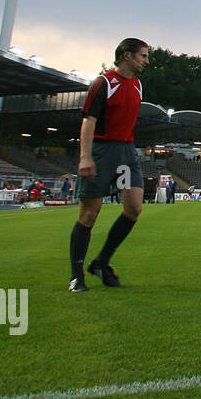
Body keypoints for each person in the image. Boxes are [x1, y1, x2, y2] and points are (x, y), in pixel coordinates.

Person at [68, 38, 149, 292]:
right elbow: (88, 120)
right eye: (143, 56)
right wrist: (85, 157)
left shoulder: (137, 86)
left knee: (134, 208)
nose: (146, 61)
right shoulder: (103, 83)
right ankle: (76, 276)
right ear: (126, 55)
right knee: (89, 214)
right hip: (103, 152)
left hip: (126, 153)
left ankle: (101, 262)